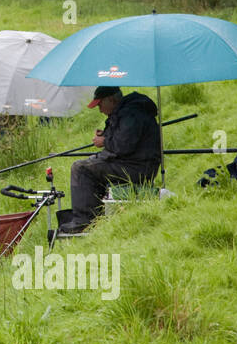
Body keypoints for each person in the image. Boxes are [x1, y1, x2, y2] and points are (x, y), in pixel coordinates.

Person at [60, 86, 162, 237]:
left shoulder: (131, 114)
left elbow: (123, 146)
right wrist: (107, 134)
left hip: (137, 169)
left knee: (80, 168)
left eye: (100, 104)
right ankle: (95, 218)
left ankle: (84, 222)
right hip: (134, 164)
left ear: (111, 100)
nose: (100, 109)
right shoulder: (127, 111)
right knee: (90, 165)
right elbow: (124, 138)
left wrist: (104, 141)